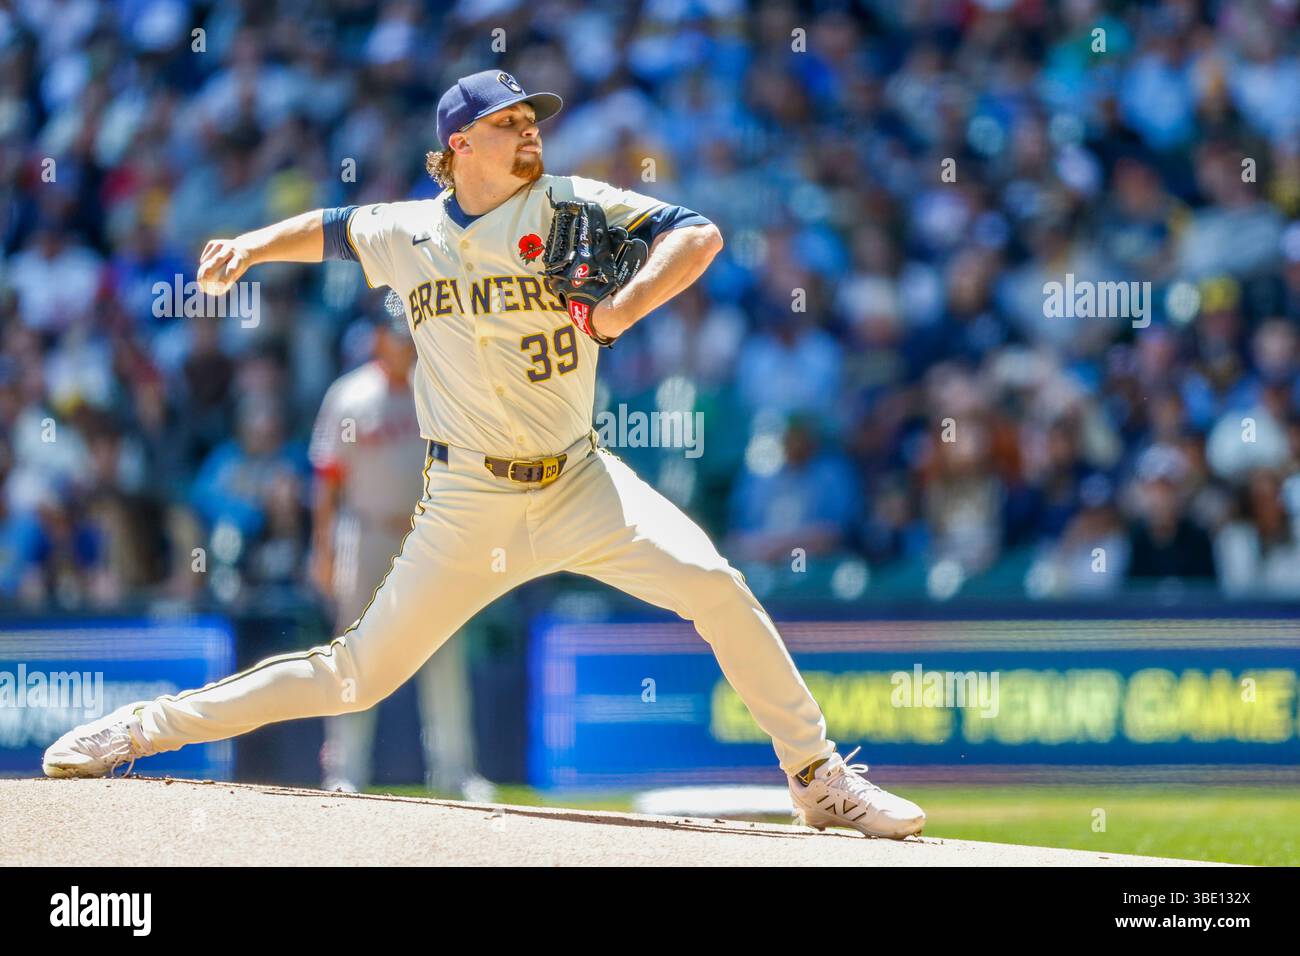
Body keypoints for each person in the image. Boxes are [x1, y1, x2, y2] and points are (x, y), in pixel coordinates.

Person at [43, 70, 925, 839]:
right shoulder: (409, 232)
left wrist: (624, 308)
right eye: (510, 121)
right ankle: (137, 731)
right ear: (461, 143)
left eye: (532, 116)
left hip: (581, 480)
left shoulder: (569, 204)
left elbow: (698, 235)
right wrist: (250, 246)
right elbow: (333, 226)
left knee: (717, 588)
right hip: (470, 500)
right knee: (355, 675)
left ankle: (818, 781)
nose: (530, 128)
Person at [310, 311, 491, 798]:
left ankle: (455, 771)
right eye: (396, 335)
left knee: (443, 651)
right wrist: (322, 549)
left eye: (409, 334)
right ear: (376, 339)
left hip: (427, 534)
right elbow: (326, 479)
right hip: (366, 533)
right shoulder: (349, 395)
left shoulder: (435, 386)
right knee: (354, 652)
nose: (405, 343)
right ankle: (344, 771)